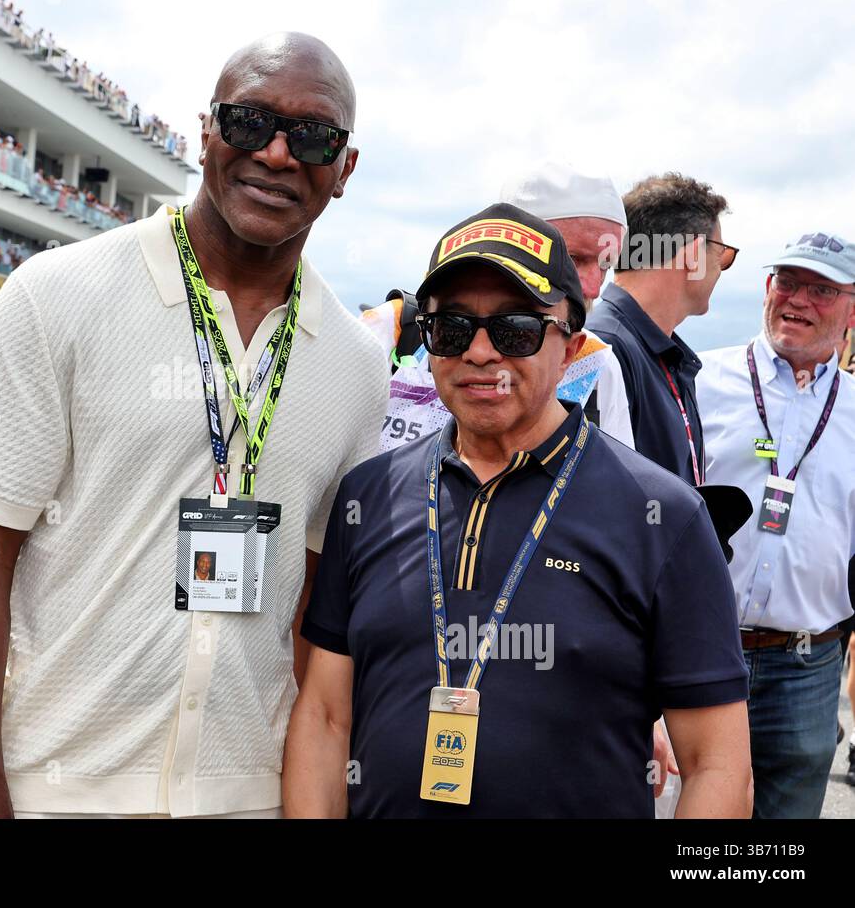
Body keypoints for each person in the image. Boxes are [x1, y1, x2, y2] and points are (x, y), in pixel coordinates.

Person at [0, 32, 386, 818]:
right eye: (248, 122)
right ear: (205, 132)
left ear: (343, 169)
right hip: (60, 793)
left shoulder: (356, 360)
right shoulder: (57, 294)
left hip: (251, 799)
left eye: (312, 136)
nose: (276, 154)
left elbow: (316, 607)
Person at [285, 203, 752, 818]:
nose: (480, 352)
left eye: (516, 329)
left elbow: (718, 766)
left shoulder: (661, 515)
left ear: (573, 347)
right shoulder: (367, 497)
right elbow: (323, 716)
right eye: (451, 327)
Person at [697, 231, 855, 818]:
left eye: (822, 289)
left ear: (852, 309)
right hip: (705, 652)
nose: (799, 300)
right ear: (767, 288)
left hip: (809, 662)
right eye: (788, 282)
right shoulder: (701, 383)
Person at [361, 162, 634, 451]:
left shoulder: (596, 362)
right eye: (574, 259)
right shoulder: (389, 330)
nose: (592, 288)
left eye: (606, 264)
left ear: (568, 352)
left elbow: (619, 480)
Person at [587, 173, 734, 485]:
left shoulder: (659, 354)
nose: (721, 269)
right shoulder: (601, 349)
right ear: (694, 255)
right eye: (722, 255)